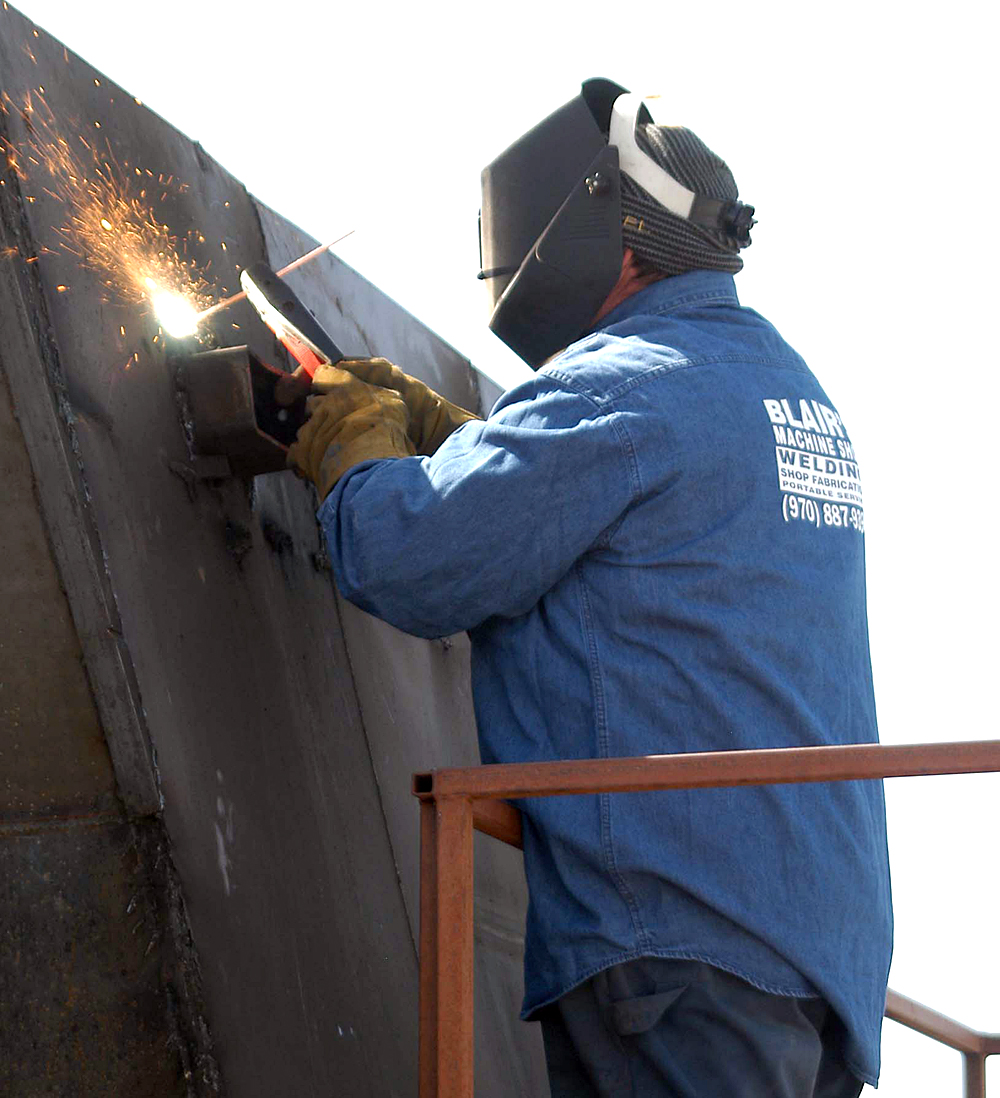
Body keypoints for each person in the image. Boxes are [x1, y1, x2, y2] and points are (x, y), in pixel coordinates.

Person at [287, 79, 892, 1098]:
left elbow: (412, 558)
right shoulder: (781, 390)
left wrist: (354, 444)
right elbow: (611, 525)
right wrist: (464, 441)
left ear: (611, 234)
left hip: (679, 940)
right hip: (813, 955)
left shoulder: (623, 384)